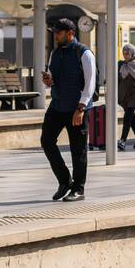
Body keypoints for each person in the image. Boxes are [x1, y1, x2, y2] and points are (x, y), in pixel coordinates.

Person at [40, 18, 95, 201]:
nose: (55, 35)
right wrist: (49, 81)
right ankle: (65, 180)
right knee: (46, 141)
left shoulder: (84, 53)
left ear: (70, 33)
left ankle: (78, 189)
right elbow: (54, 79)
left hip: (76, 108)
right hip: (57, 105)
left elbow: (90, 83)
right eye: (55, 32)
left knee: (78, 150)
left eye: (59, 32)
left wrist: (81, 108)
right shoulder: (55, 53)